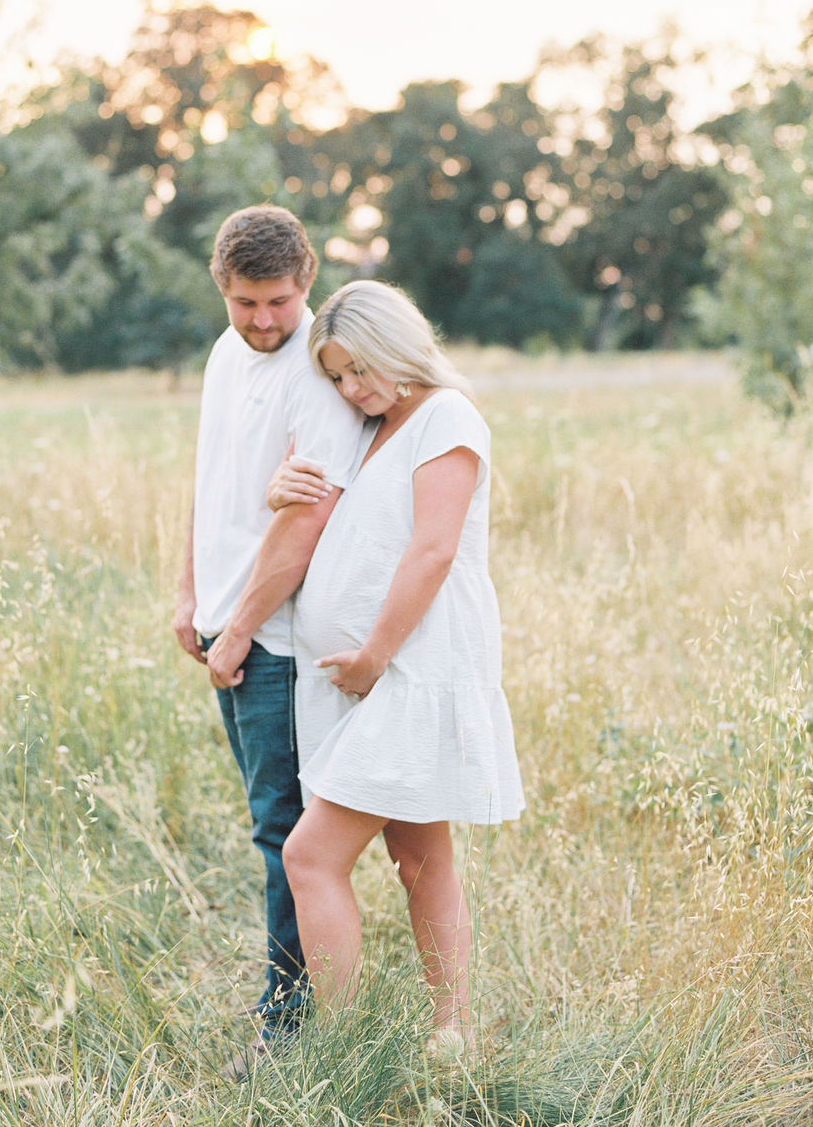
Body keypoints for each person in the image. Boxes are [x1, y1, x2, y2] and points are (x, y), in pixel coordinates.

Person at [269, 279, 524, 1055]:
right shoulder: (375, 427)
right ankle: (453, 1035)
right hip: (375, 676)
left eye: (358, 369)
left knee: (309, 856)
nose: (350, 388)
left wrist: (374, 656)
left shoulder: (445, 416)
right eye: (337, 375)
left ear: (395, 345)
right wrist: (278, 489)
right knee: (420, 857)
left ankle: (341, 1049)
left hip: (412, 668)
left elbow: (433, 547)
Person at [172, 206, 364, 1068]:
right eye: (246, 303)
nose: (263, 321)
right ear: (222, 286)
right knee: (273, 827)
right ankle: (304, 1001)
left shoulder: (318, 372)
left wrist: (240, 630)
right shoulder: (223, 355)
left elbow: (305, 524)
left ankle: (286, 1028)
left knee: (285, 834)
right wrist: (192, 596)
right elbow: (211, 481)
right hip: (227, 629)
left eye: (279, 302)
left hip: (277, 644)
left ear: (309, 277)